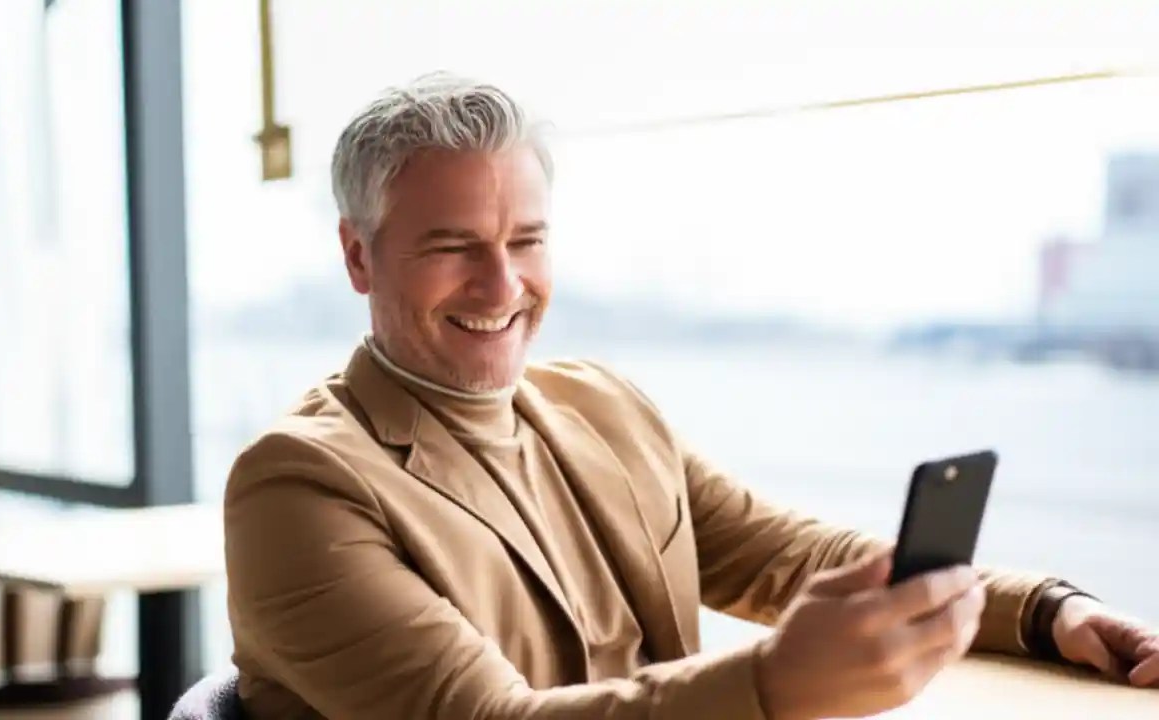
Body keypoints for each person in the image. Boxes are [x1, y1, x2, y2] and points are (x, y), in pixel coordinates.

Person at [224, 73, 1159, 719]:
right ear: (358, 255)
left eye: (527, 241)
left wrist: (1047, 612)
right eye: (453, 246)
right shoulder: (296, 486)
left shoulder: (602, 405)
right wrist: (778, 683)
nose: (503, 286)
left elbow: (790, 555)